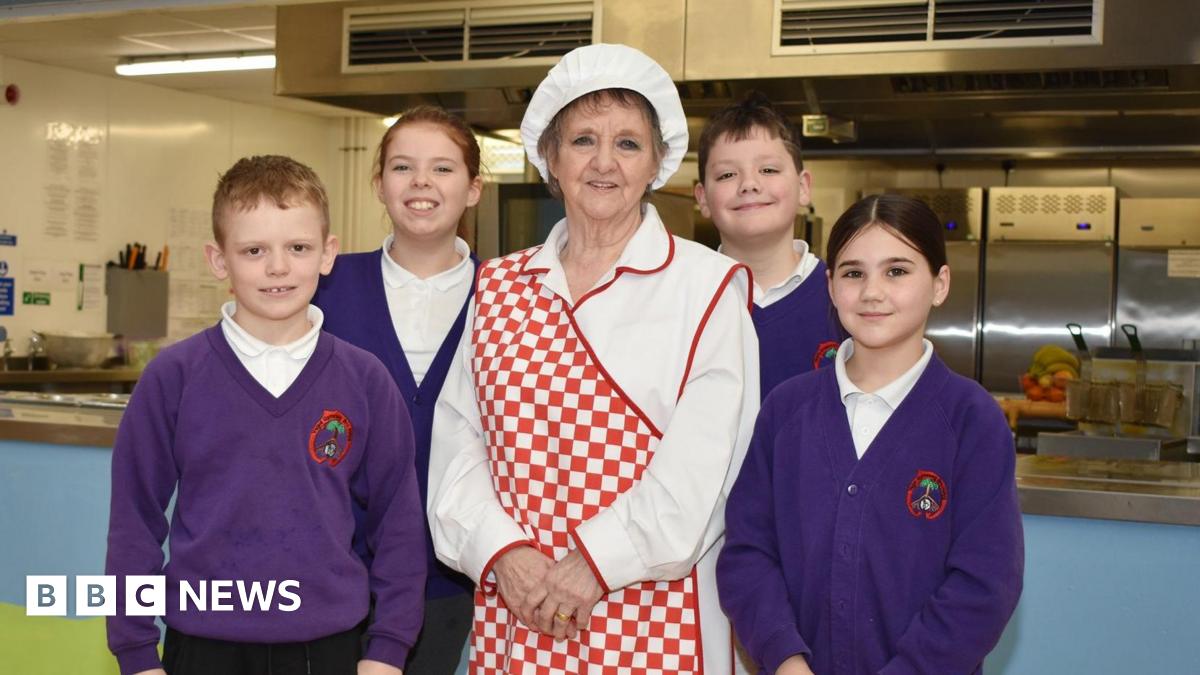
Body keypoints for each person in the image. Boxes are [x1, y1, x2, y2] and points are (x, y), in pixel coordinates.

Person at [428, 44, 759, 674]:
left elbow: (707, 471)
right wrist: (504, 554)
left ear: (657, 162)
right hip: (515, 607)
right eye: (583, 140)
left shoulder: (706, 288)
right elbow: (458, 444)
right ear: (550, 158)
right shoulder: (499, 285)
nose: (604, 162)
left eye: (628, 144)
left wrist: (593, 564)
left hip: (650, 612)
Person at [105, 155, 426, 675]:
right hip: (202, 648)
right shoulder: (173, 377)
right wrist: (137, 653)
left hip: (329, 649)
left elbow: (398, 523)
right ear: (218, 260)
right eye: (254, 250)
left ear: (327, 254)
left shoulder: (365, 380)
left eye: (298, 248)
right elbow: (134, 522)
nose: (278, 267)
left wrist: (388, 649)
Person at [716, 194, 1023, 675]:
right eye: (853, 273)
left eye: (896, 271)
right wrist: (785, 659)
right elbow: (748, 552)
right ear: (830, 286)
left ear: (940, 284)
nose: (872, 292)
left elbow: (984, 584)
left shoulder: (972, 419)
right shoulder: (786, 410)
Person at [314, 106, 482, 673]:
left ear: (473, 188)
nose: (421, 183)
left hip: (448, 576)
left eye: (443, 168)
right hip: (329, 567)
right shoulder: (325, 286)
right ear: (379, 184)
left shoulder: (508, 297)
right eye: (403, 167)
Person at [694, 92, 843, 399]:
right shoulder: (683, 300)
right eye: (727, 174)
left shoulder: (844, 296)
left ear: (803, 187)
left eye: (768, 170)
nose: (749, 184)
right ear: (702, 198)